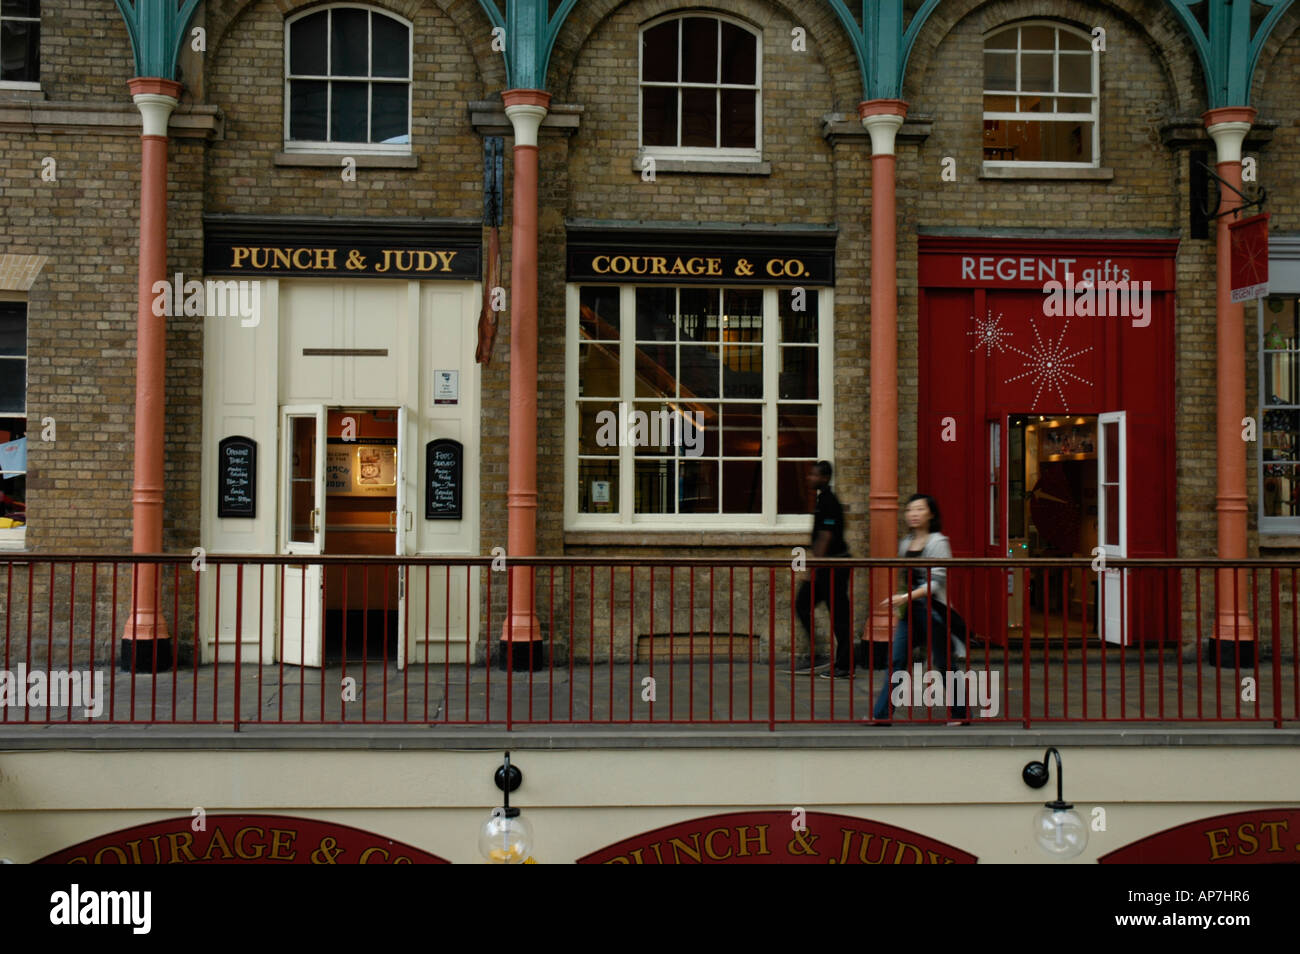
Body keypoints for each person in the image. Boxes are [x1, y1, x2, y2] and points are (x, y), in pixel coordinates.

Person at [870, 493, 968, 723]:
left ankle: (961, 713)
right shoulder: (905, 543)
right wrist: (903, 601)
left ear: (931, 514)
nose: (913, 514)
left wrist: (905, 597)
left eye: (919, 510)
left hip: (933, 611)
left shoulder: (939, 543)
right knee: (897, 659)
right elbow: (906, 577)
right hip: (911, 611)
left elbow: (936, 582)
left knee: (944, 664)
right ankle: (882, 715)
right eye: (910, 510)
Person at [790, 461, 853, 677]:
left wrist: (811, 568)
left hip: (834, 567)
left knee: (838, 615)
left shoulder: (829, 501)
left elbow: (825, 536)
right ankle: (817, 656)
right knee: (803, 605)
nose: (810, 478)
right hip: (827, 567)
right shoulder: (822, 499)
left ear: (825, 478)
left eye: (814, 475)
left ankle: (844, 665)